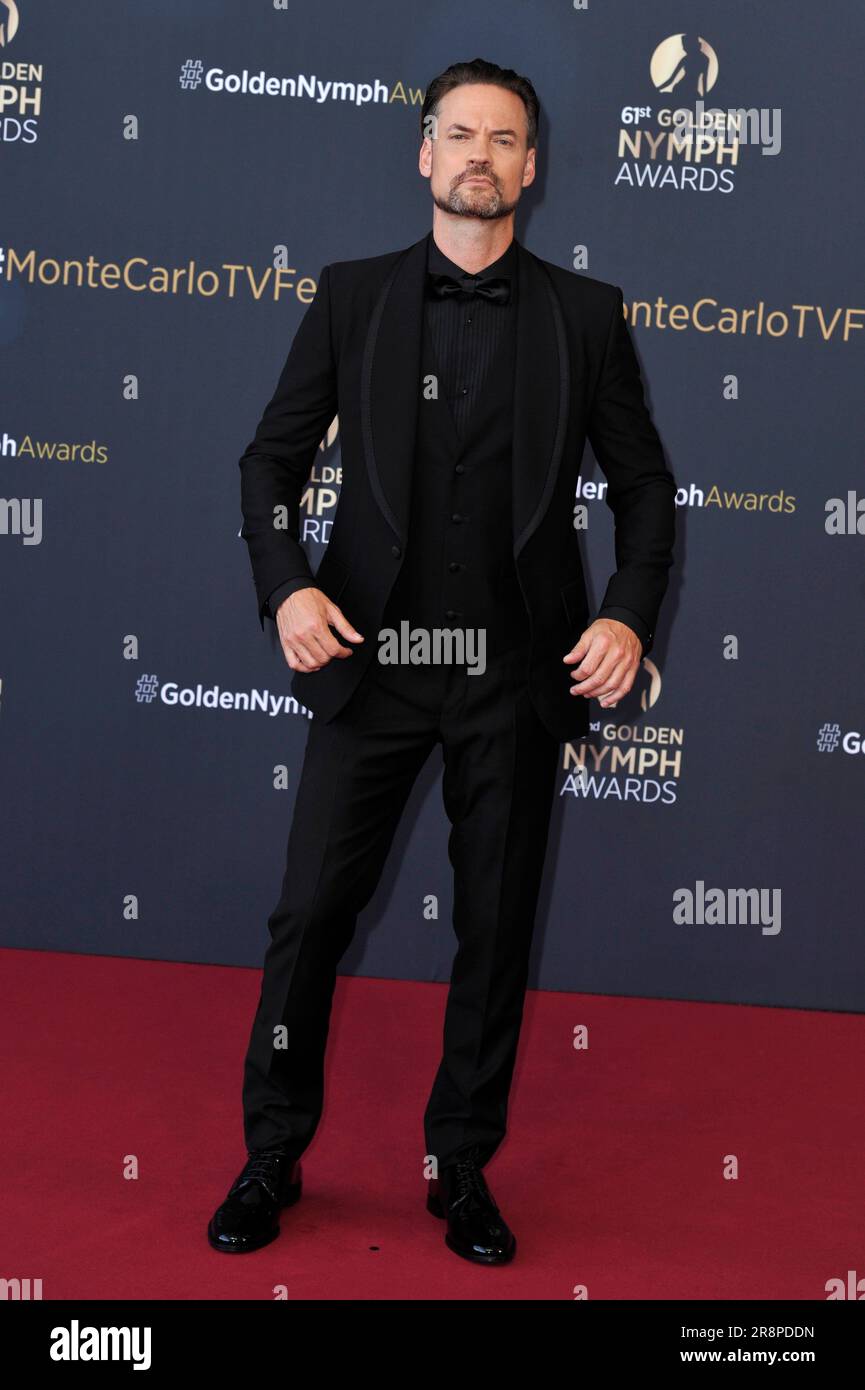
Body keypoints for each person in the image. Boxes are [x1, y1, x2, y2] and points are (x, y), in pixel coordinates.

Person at [208, 57, 676, 1265]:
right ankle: (270, 1154)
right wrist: (288, 586)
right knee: (310, 915)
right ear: (423, 153)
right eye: (458, 132)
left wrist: (624, 614)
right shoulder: (351, 297)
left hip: (516, 677)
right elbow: (265, 464)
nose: (479, 154)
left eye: (503, 139)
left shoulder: (586, 316)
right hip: (372, 662)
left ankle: (460, 1164)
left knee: (494, 926)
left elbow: (646, 493)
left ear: (532, 166)